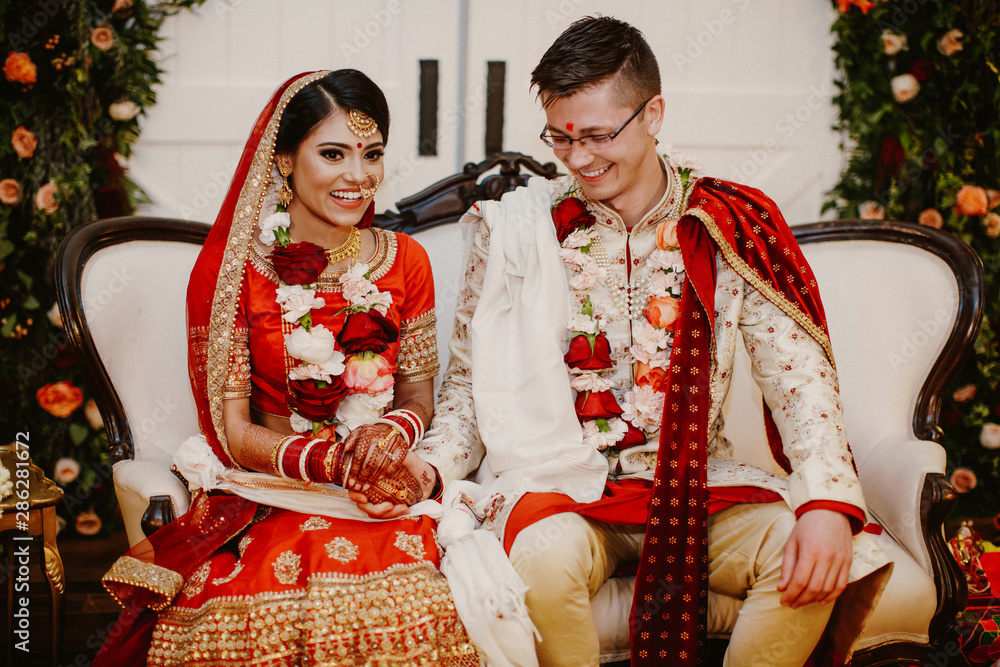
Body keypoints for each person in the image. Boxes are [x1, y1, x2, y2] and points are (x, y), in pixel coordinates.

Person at [401, 17, 891, 667]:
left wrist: (829, 500)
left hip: (699, 483)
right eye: (560, 137)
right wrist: (429, 465)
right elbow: (467, 386)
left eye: (599, 134)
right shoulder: (518, 229)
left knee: (823, 552)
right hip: (564, 485)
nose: (578, 158)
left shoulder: (725, 224)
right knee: (540, 563)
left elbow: (797, 378)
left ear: (653, 113)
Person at [92, 70, 480, 667]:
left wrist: (386, 437)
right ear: (282, 162)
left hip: (380, 491)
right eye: (333, 154)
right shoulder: (236, 274)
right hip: (271, 491)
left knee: (423, 605)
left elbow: (419, 395)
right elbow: (233, 430)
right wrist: (327, 461)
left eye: (372, 154)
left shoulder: (407, 259)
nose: (358, 176)